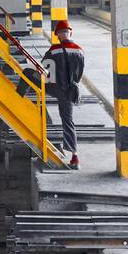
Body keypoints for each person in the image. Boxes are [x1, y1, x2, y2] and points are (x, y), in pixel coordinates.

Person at [43, 19, 84, 169]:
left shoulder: (53, 50)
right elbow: (80, 73)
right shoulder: (80, 51)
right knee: (68, 120)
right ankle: (74, 155)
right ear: (70, 33)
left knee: (33, 79)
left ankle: (75, 156)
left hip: (57, 89)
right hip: (71, 90)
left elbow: (44, 67)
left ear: (58, 35)